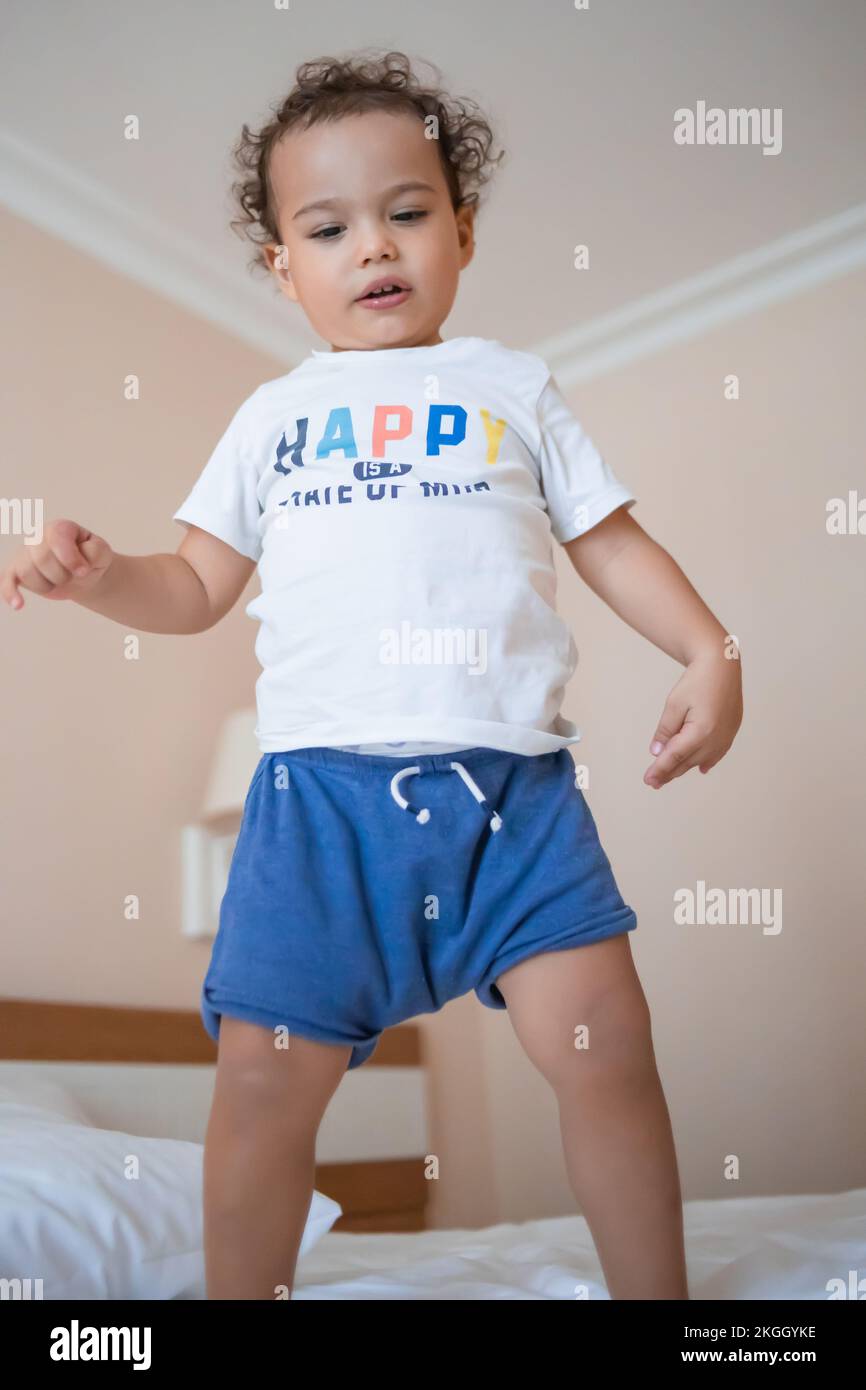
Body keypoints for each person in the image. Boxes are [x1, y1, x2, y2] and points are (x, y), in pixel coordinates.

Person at [0, 50, 743, 1300]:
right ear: (284, 268)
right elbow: (189, 587)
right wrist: (100, 575)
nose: (374, 248)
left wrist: (708, 650)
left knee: (606, 1044)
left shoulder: (514, 387)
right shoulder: (269, 417)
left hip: (515, 802)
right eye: (328, 228)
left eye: (406, 212)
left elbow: (608, 540)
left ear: (459, 228)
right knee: (258, 1080)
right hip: (318, 816)